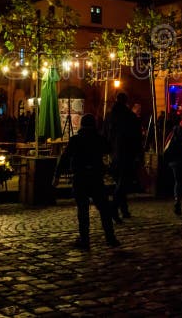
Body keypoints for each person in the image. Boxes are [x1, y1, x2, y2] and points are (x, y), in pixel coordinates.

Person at [53, 113, 120, 250]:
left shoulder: (75, 140)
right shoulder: (98, 139)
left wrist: (57, 175)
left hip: (80, 177)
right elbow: (109, 148)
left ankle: (85, 240)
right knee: (104, 210)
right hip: (96, 178)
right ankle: (110, 237)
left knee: (83, 211)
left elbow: (64, 158)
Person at [103, 92, 144, 221]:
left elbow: (104, 135)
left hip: (114, 154)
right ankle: (114, 208)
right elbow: (137, 138)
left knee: (120, 182)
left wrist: (107, 151)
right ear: (126, 102)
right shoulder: (130, 117)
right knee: (123, 183)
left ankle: (124, 209)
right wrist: (139, 155)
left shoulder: (109, 116)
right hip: (127, 153)